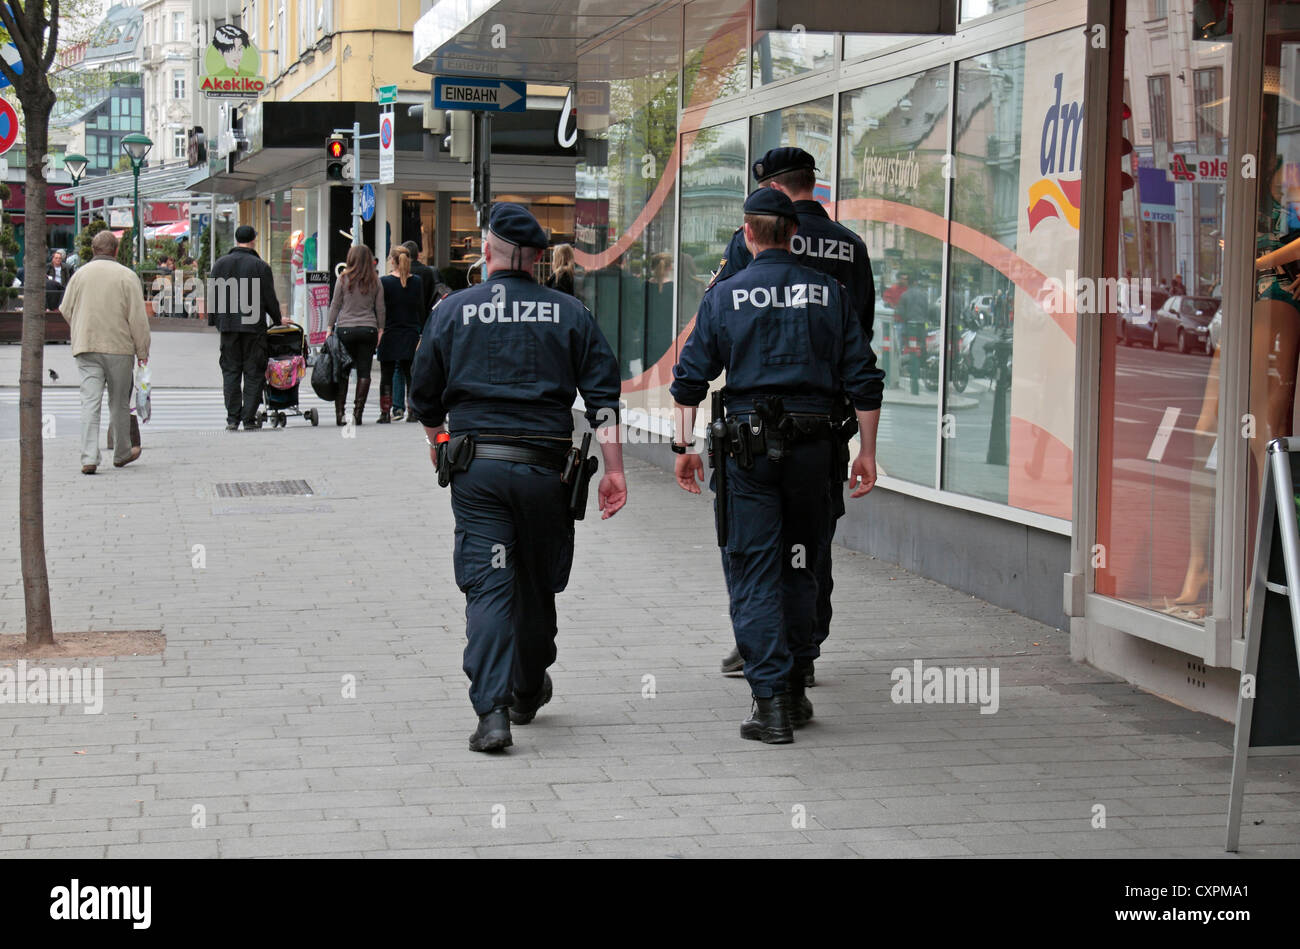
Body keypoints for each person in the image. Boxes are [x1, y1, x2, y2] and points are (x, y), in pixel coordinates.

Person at [407, 203, 627, 753]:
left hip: (478, 469)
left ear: (487, 252)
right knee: (533, 581)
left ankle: (493, 714)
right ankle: (527, 687)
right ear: (534, 259)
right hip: (546, 471)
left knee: (487, 586)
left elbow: (423, 396)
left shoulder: (453, 309)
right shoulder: (570, 312)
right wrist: (615, 469)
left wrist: (439, 444)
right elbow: (603, 398)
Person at [671, 188, 882, 743]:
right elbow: (864, 379)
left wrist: (684, 447)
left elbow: (689, 380)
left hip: (750, 455)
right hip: (816, 452)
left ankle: (771, 704)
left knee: (753, 568)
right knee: (801, 563)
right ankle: (794, 685)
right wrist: (869, 453)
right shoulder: (832, 294)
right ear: (794, 234)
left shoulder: (725, 296)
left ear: (748, 235)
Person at [709, 147, 877, 684]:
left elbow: (726, 318)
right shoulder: (850, 248)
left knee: (752, 542)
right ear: (810, 184)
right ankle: (805, 646)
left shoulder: (748, 242)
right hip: (824, 421)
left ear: (772, 193)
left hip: (755, 421)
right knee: (810, 540)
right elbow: (862, 334)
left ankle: (761, 643)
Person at [59, 230, 150, 474]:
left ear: (93, 249)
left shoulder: (80, 275)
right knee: (119, 402)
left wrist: (81, 329)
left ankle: (89, 457)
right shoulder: (127, 276)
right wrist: (142, 350)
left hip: (86, 346)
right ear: (116, 250)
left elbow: (66, 309)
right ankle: (121, 452)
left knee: (90, 401)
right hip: (119, 348)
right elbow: (138, 319)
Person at [210, 224, 282, 430]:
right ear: (253, 240)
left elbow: (214, 297)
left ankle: (232, 418)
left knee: (231, 371)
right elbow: (270, 298)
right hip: (254, 329)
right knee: (254, 372)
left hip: (228, 327)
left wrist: (217, 322)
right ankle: (249, 418)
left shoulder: (220, 264)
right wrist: (277, 320)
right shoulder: (260, 266)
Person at [327, 244, 385, 425]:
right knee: (364, 371)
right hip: (368, 329)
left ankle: (340, 414)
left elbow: (335, 304)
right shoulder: (375, 280)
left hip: (345, 329)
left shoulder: (343, 279)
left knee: (342, 372)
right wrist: (381, 329)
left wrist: (329, 327)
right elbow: (380, 307)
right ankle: (358, 413)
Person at [376, 246, 423, 424]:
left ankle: (385, 413)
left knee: (386, 375)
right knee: (411, 374)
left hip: (389, 332)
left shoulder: (385, 282)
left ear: (393, 261)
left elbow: (380, 309)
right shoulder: (417, 281)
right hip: (410, 332)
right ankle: (412, 412)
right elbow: (420, 308)